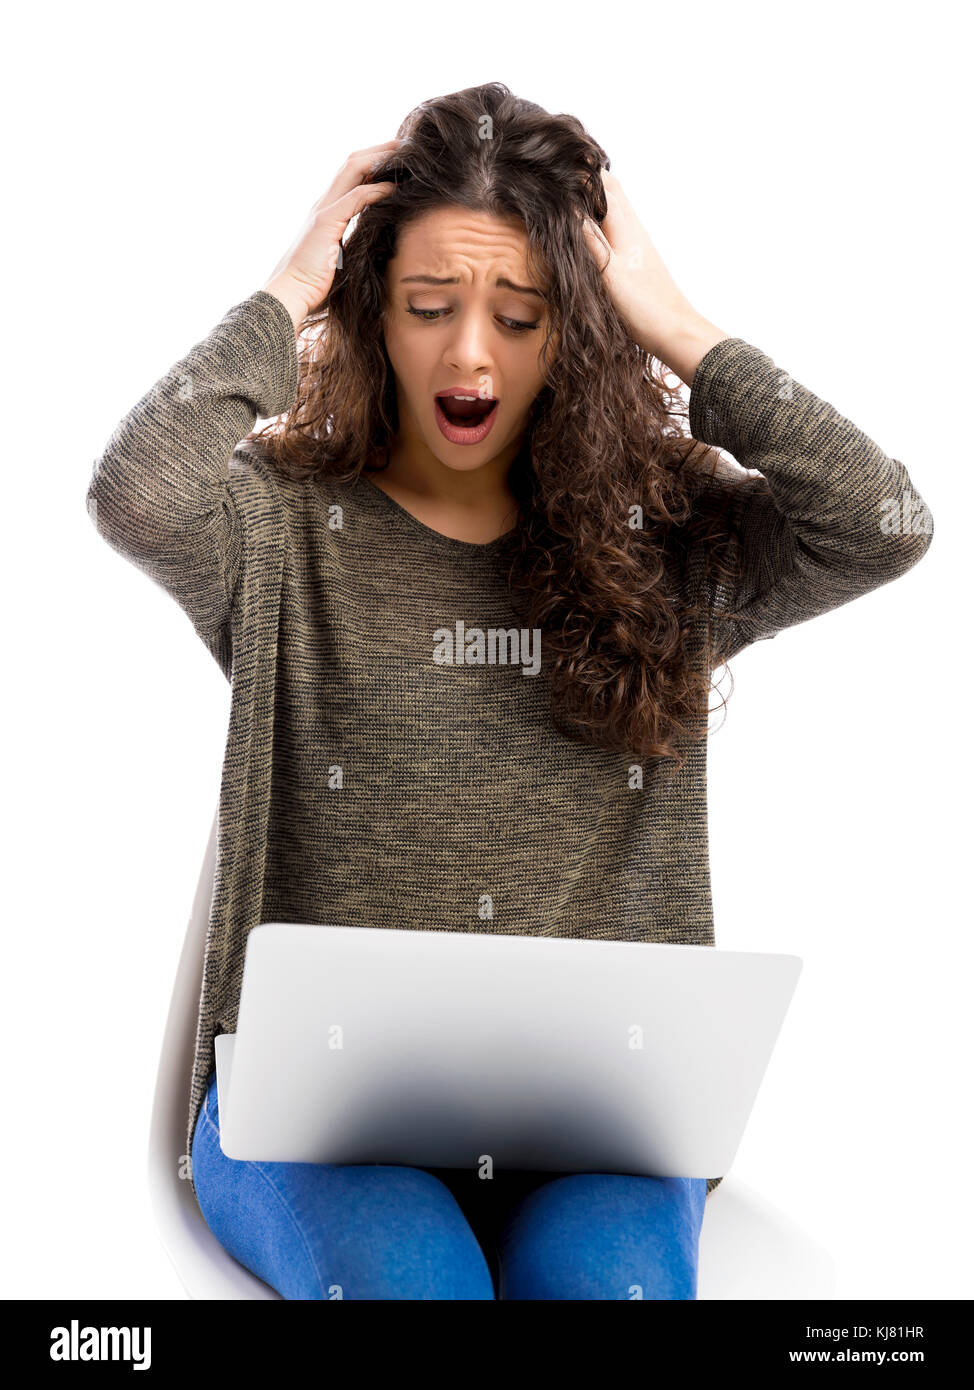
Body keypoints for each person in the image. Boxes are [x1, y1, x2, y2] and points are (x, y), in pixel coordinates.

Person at [86, 83, 933, 1300]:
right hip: (312, 1126)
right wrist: (284, 290)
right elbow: (136, 493)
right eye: (428, 305)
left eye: (523, 315)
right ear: (373, 306)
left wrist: (680, 327)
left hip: (598, 1134)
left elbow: (885, 525)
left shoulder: (666, 534)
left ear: (577, 334)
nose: (469, 351)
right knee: (416, 1284)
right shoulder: (281, 528)